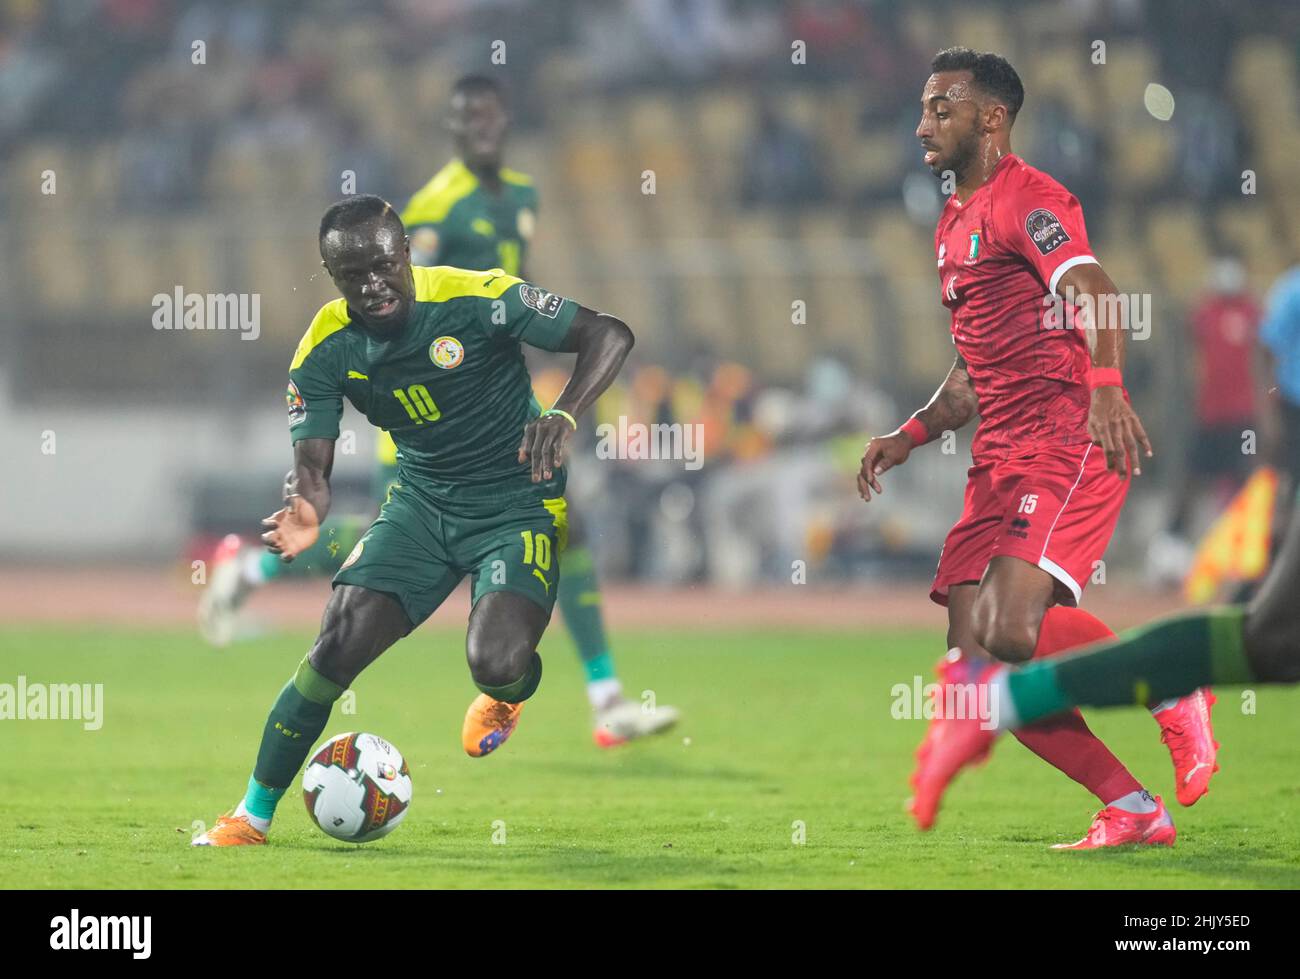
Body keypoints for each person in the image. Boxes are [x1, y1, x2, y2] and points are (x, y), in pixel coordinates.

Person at [200, 74, 679, 747]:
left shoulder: (521, 195)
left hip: (487, 405)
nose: (480, 128)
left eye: (489, 115)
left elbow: (508, 299)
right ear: (450, 131)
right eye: (465, 119)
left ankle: (602, 697)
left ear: (506, 119)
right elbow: (400, 300)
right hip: (418, 417)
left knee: (564, 532)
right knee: (395, 542)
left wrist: (529, 368)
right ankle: (255, 567)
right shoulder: (433, 208)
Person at [857, 48, 1215, 849]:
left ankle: (1172, 682)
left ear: (991, 118)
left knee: (1009, 632)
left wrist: (1107, 386)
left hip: (1063, 435)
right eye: (922, 108)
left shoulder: (1030, 199)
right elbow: (973, 368)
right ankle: (1132, 807)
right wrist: (910, 434)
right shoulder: (953, 221)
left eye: (941, 109)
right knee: (976, 673)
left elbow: (1098, 293)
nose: (922, 126)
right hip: (998, 455)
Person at [194, 196, 634, 846]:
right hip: (421, 507)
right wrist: (306, 513)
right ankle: (250, 817)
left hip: (518, 506)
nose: (373, 284)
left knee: (496, 661)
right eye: (353, 276)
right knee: (335, 644)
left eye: (382, 266)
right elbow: (312, 465)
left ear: (406, 252)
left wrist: (564, 413)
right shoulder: (323, 349)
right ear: (331, 275)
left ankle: (506, 693)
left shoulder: (477, 298)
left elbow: (610, 333)